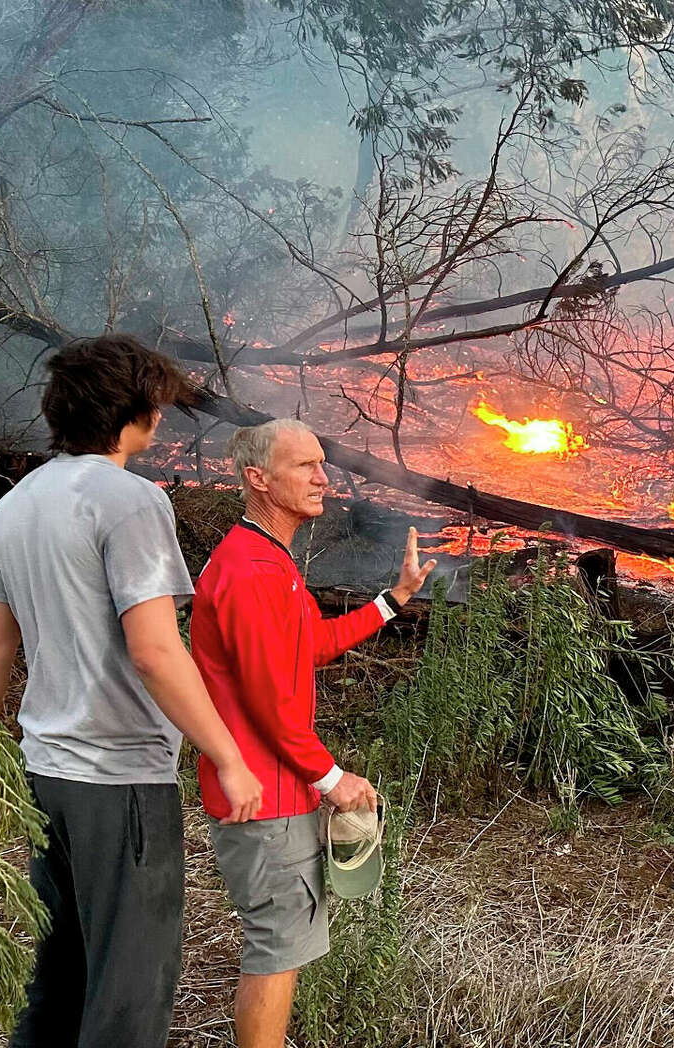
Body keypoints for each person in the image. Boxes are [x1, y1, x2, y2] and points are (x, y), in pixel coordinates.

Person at [0, 333, 266, 1048]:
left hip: (47, 777)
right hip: (119, 779)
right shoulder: (131, 504)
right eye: (155, 405)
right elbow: (156, 651)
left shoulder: (17, 504)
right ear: (134, 412)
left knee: (60, 980)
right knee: (128, 992)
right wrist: (227, 755)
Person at [191, 417, 434, 1048]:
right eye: (305, 465)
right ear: (257, 479)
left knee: (284, 945)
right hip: (262, 795)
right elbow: (270, 702)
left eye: (322, 463)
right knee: (275, 950)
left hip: (276, 790)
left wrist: (396, 598)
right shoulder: (250, 570)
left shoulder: (271, 560)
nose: (323, 477)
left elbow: (311, 646)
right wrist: (332, 779)